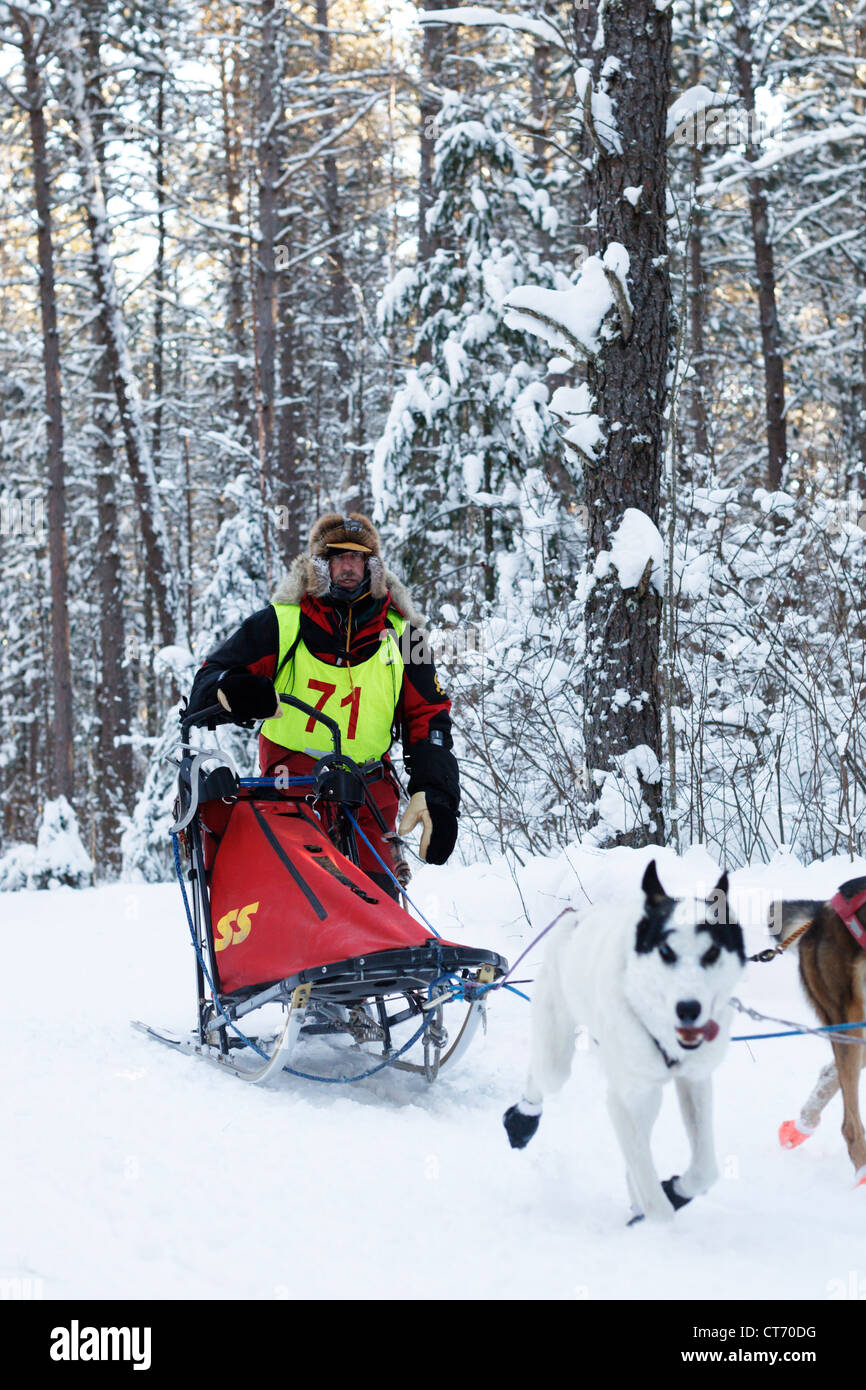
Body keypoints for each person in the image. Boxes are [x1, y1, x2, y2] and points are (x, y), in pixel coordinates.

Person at [186, 512, 459, 894]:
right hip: (292, 794)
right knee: (305, 911)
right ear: (320, 564)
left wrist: (437, 792)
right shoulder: (281, 623)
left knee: (380, 919)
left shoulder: (405, 634)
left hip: (369, 797)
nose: (348, 566)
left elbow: (429, 715)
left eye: (358, 557)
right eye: (337, 557)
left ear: (373, 566)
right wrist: (235, 693)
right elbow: (208, 681)